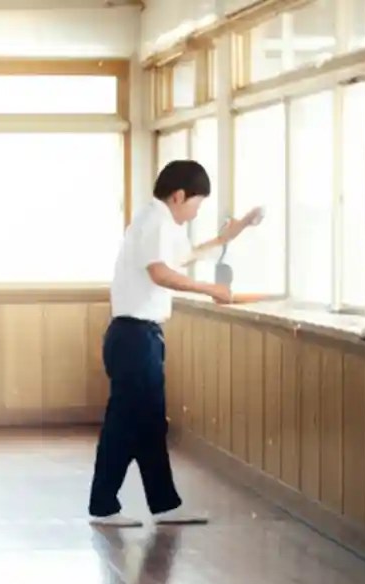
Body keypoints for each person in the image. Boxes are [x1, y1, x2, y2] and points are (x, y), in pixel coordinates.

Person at [89, 160, 264, 527]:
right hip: (134, 336)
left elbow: (181, 258)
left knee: (150, 424)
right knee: (126, 424)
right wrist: (210, 289)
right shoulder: (154, 221)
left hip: (139, 336)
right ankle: (103, 506)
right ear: (178, 195)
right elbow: (161, 272)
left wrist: (226, 237)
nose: (195, 212)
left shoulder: (161, 223)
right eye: (196, 205)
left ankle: (164, 504)